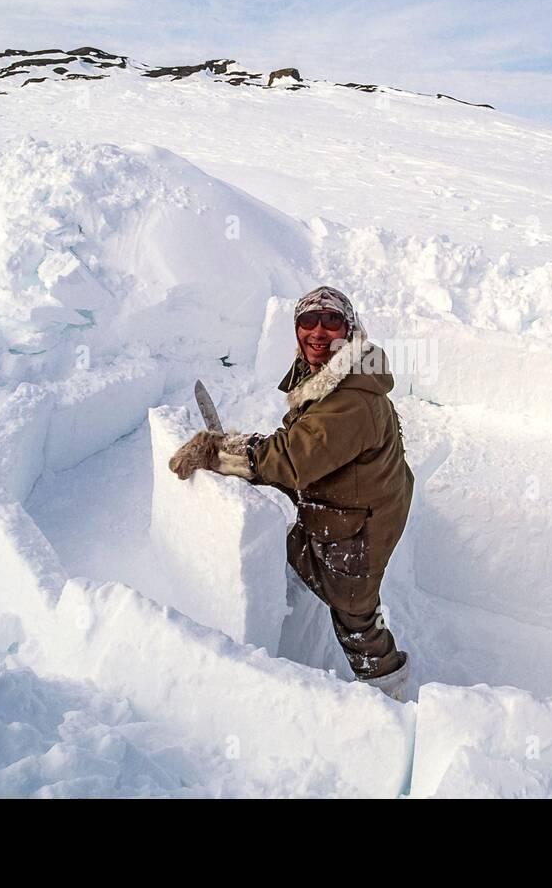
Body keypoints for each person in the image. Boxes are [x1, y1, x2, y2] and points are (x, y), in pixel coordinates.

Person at [168, 286, 414, 699]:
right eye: (307, 322)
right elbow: (304, 442)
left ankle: (391, 697)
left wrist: (219, 451)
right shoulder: (334, 368)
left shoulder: (351, 399)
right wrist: (251, 459)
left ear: (349, 329)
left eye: (331, 321)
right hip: (362, 494)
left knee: (355, 613)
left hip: (364, 520)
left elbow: (293, 459)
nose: (318, 331)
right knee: (296, 549)